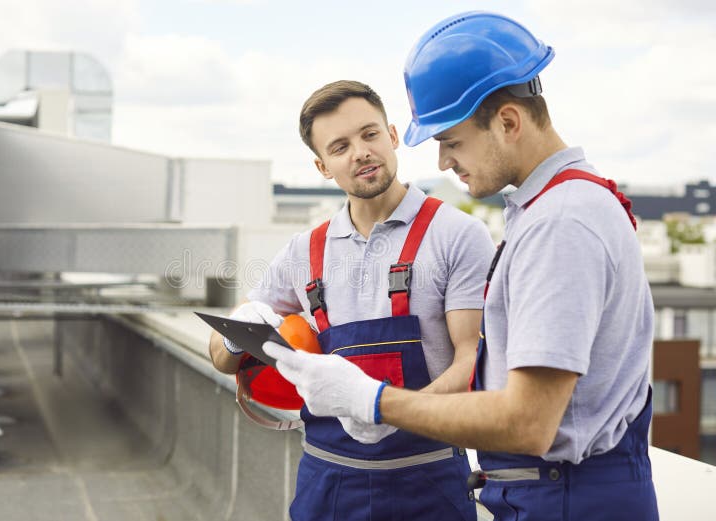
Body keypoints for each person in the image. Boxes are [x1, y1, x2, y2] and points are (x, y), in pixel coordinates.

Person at [264, 11, 660, 521]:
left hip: (567, 499)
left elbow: (529, 422)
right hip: (549, 493)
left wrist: (374, 401)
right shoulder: (556, 209)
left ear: (508, 122)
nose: (445, 162)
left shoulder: (561, 223)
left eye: (451, 141)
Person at [208, 80, 494, 521]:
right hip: (327, 486)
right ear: (323, 166)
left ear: (393, 136)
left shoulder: (457, 235)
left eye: (369, 134)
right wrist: (234, 335)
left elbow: (468, 361)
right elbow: (223, 359)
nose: (360, 152)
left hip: (429, 485)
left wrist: (390, 411)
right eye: (340, 146)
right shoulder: (304, 251)